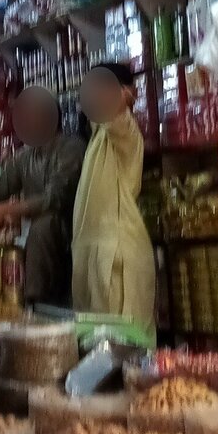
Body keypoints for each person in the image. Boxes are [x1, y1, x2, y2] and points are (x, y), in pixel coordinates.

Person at [0, 85, 85, 305]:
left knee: (44, 225)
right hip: (40, 234)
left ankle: (35, 303)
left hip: (71, 231)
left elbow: (54, 199)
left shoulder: (72, 148)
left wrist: (5, 210)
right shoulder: (26, 156)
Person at [72, 62, 156, 342]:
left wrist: (123, 95)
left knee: (123, 352)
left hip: (116, 261)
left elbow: (117, 112)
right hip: (95, 260)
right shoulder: (97, 139)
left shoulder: (126, 133)